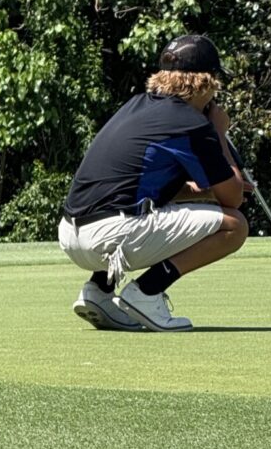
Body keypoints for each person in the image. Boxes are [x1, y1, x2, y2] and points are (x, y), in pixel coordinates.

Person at [58, 35, 249, 331]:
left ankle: (98, 291)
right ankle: (146, 292)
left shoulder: (137, 105)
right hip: (110, 236)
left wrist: (204, 192)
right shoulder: (193, 124)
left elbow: (143, 188)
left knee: (146, 208)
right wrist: (219, 132)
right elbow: (234, 199)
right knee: (234, 225)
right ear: (207, 82)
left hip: (71, 235)